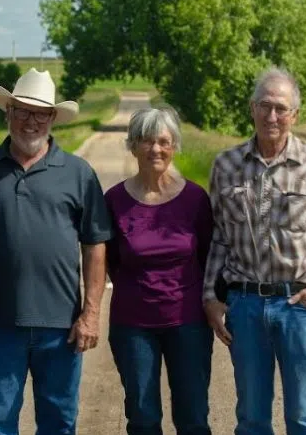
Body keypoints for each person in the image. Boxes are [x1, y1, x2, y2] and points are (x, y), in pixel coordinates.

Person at [202, 67, 306, 435]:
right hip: (245, 306)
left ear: (295, 115)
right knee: (252, 419)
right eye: (264, 106)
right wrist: (211, 296)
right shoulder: (226, 166)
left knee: (304, 418)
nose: (272, 116)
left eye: (281, 108)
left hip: (298, 308)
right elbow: (219, 239)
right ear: (252, 108)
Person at [0, 68, 113, 435]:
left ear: (53, 118)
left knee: (58, 423)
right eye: (22, 111)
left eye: (40, 114)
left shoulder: (78, 173)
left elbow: (95, 245)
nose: (30, 121)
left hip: (61, 325)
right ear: (8, 113)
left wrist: (91, 314)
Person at [104, 107, 215, 435]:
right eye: (146, 141)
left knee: (193, 416)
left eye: (164, 141)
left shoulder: (195, 198)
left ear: (175, 145)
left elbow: (210, 257)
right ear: (133, 146)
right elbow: (108, 260)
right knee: (142, 417)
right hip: (132, 325)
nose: (155, 149)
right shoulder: (114, 201)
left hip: (189, 322)